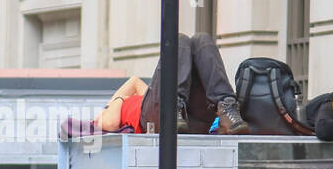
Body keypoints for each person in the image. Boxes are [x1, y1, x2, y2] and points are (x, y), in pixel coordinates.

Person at [92, 33, 249, 134]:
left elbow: (134, 81)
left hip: (185, 117)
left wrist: (120, 98)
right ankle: (175, 107)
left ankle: (227, 107)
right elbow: (111, 124)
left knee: (202, 40)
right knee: (179, 40)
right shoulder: (104, 115)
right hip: (159, 119)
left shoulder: (145, 100)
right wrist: (116, 101)